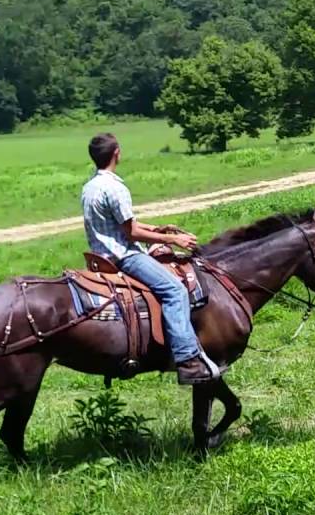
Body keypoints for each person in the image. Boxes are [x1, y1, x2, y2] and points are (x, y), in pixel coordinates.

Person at [80, 133, 222, 384]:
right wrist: (173, 240)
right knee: (175, 290)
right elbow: (131, 233)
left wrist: (156, 229)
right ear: (117, 153)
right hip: (124, 257)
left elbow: (124, 223)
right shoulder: (115, 187)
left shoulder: (90, 186)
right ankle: (187, 359)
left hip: (99, 256)